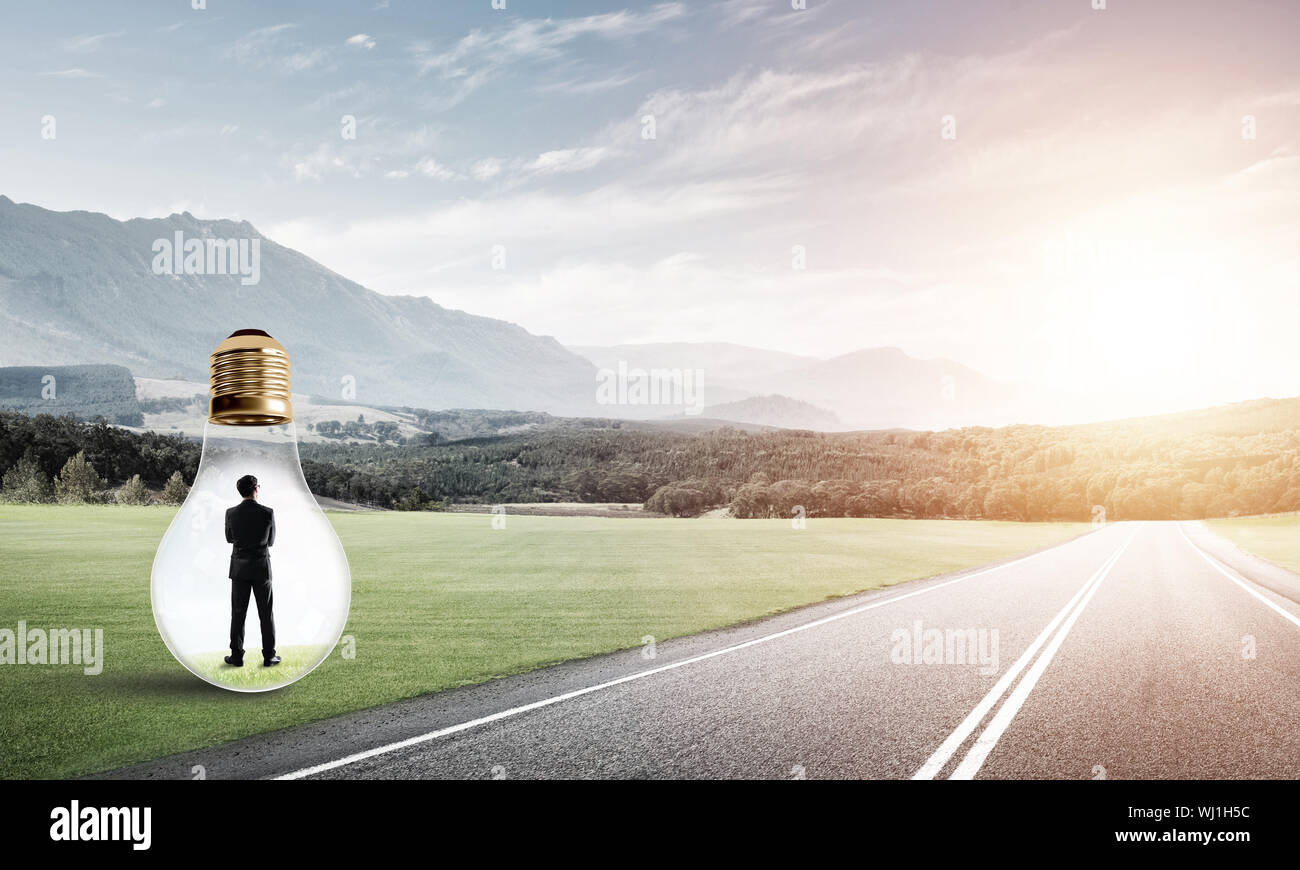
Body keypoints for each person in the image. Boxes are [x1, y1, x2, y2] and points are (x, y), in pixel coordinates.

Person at [224, 474, 280, 667]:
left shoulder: (230, 513)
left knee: (238, 613)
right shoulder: (268, 512)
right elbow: (270, 542)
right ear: (256, 489)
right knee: (266, 614)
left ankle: (237, 656)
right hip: (261, 569)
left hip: (239, 569)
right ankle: (269, 656)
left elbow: (229, 538)